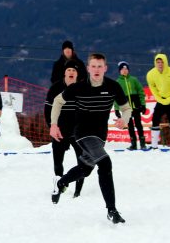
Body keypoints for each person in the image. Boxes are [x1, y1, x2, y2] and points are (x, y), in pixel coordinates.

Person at [49, 53, 131, 224]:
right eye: (93, 66)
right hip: (82, 133)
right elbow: (57, 101)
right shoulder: (79, 87)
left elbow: (126, 108)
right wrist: (54, 125)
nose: (96, 69)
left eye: (100, 66)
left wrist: (125, 119)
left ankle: (61, 182)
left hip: (100, 135)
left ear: (105, 68)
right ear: (88, 68)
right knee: (105, 163)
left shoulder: (113, 86)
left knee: (86, 169)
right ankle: (112, 211)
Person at [44, 60, 85, 197]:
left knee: (82, 162)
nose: (71, 72)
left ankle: (78, 191)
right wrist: (52, 127)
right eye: (69, 70)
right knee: (57, 162)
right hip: (60, 131)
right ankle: (59, 186)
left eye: (74, 70)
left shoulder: (82, 88)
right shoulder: (55, 88)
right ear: (65, 73)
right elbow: (47, 109)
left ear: (77, 74)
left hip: (78, 132)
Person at [145, 53, 170, 149]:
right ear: (155, 63)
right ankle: (154, 145)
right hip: (161, 98)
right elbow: (152, 87)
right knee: (155, 118)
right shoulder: (150, 74)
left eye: (162, 62)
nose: (160, 64)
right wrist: (159, 99)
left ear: (165, 62)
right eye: (158, 62)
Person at [115, 62, 147, 150]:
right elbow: (116, 98)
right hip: (125, 109)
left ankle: (142, 143)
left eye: (126, 69)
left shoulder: (134, 80)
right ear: (119, 71)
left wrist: (143, 105)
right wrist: (117, 109)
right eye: (122, 69)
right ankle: (133, 144)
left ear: (128, 70)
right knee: (130, 126)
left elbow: (141, 92)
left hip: (136, 107)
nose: (124, 71)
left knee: (138, 124)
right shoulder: (117, 82)